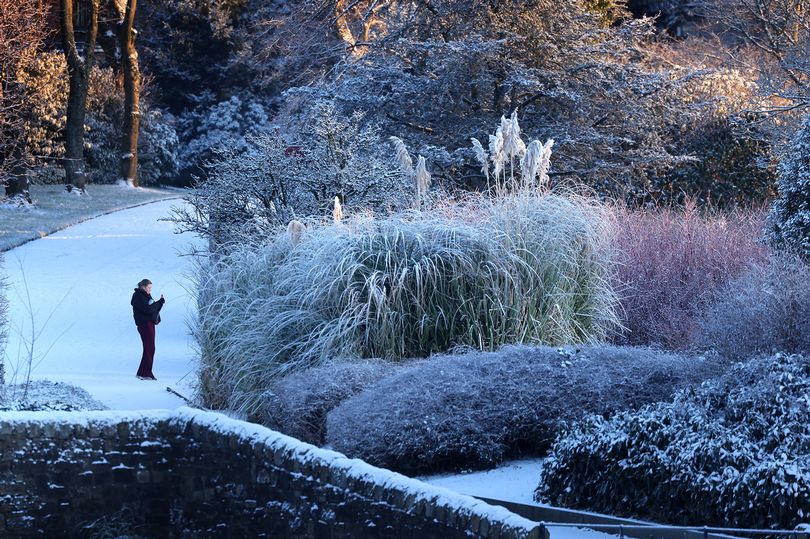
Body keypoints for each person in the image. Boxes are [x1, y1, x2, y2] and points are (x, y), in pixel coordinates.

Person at [131, 278, 165, 381]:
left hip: (149, 324)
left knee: (150, 348)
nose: (150, 290)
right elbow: (148, 309)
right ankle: (144, 373)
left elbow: (153, 309)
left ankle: (144, 372)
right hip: (144, 324)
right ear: (143, 286)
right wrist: (159, 303)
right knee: (149, 348)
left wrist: (160, 303)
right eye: (149, 288)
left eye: (151, 288)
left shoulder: (146, 295)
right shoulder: (138, 296)